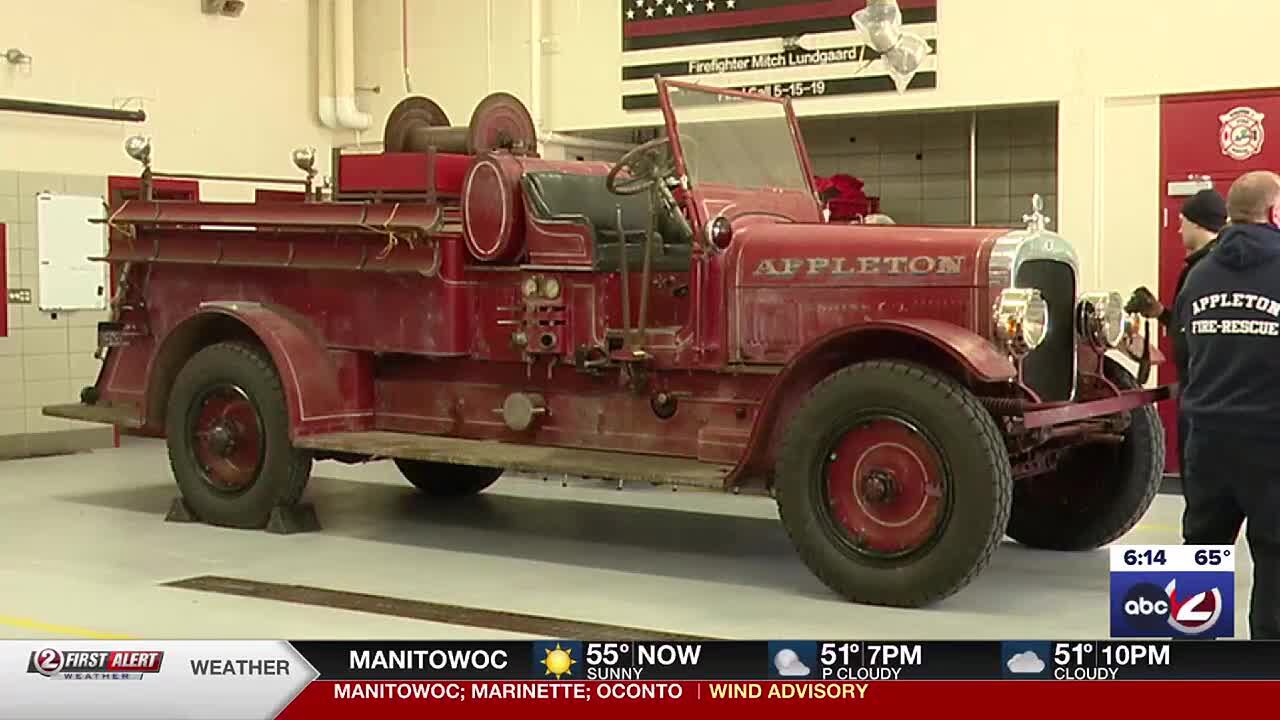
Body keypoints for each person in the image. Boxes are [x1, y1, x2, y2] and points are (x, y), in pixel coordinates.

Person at [1174, 170, 1280, 639]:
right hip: (1271, 442)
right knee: (1275, 560)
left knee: (1198, 552)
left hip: (1207, 440)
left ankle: (1187, 661)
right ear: (1274, 212)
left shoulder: (1198, 275)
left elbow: (1183, 356)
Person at [1125, 188, 1227, 470]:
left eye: (1183, 222)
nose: (1179, 229)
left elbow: (1199, 331)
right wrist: (1159, 313)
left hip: (1201, 392)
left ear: (1197, 223)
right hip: (1205, 388)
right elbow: (1190, 326)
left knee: (1198, 468)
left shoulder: (1203, 271)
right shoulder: (1208, 265)